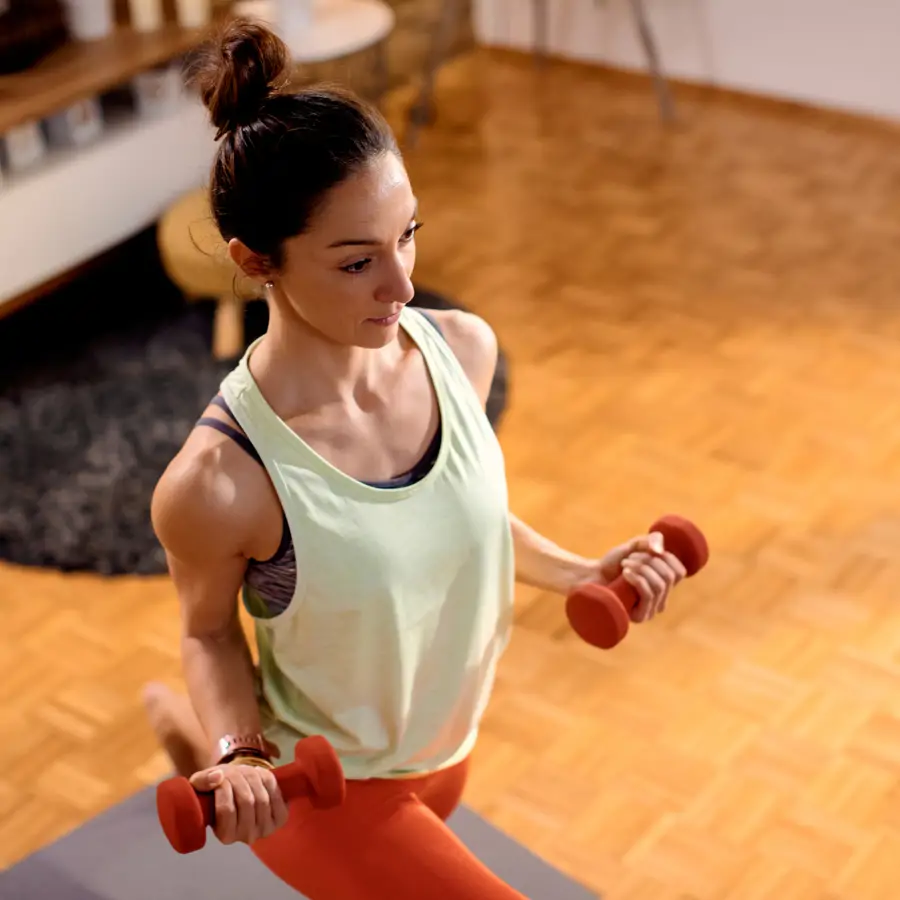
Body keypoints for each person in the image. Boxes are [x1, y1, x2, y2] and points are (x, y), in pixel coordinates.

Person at [142, 17, 687, 900]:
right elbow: (207, 631)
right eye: (357, 262)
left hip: (445, 750)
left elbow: (448, 515)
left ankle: (184, 742)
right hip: (326, 788)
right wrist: (242, 752)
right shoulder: (221, 482)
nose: (402, 285)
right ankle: (207, 752)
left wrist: (587, 567)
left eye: (408, 236)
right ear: (256, 260)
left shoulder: (461, 351)